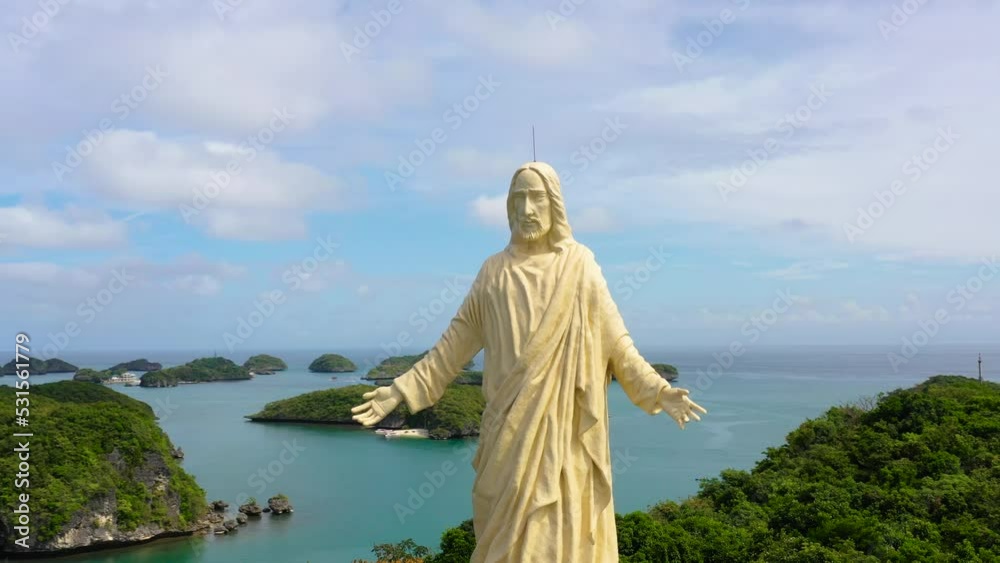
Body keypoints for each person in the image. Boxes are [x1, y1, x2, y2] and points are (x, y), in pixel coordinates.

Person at [352, 161, 707, 562]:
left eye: (536, 197)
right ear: (508, 208)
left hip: (566, 433)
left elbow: (616, 342)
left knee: (562, 534)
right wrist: (400, 390)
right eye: (517, 199)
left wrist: (658, 390)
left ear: (554, 204)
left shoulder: (580, 266)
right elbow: (452, 345)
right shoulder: (494, 273)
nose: (527, 209)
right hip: (508, 432)